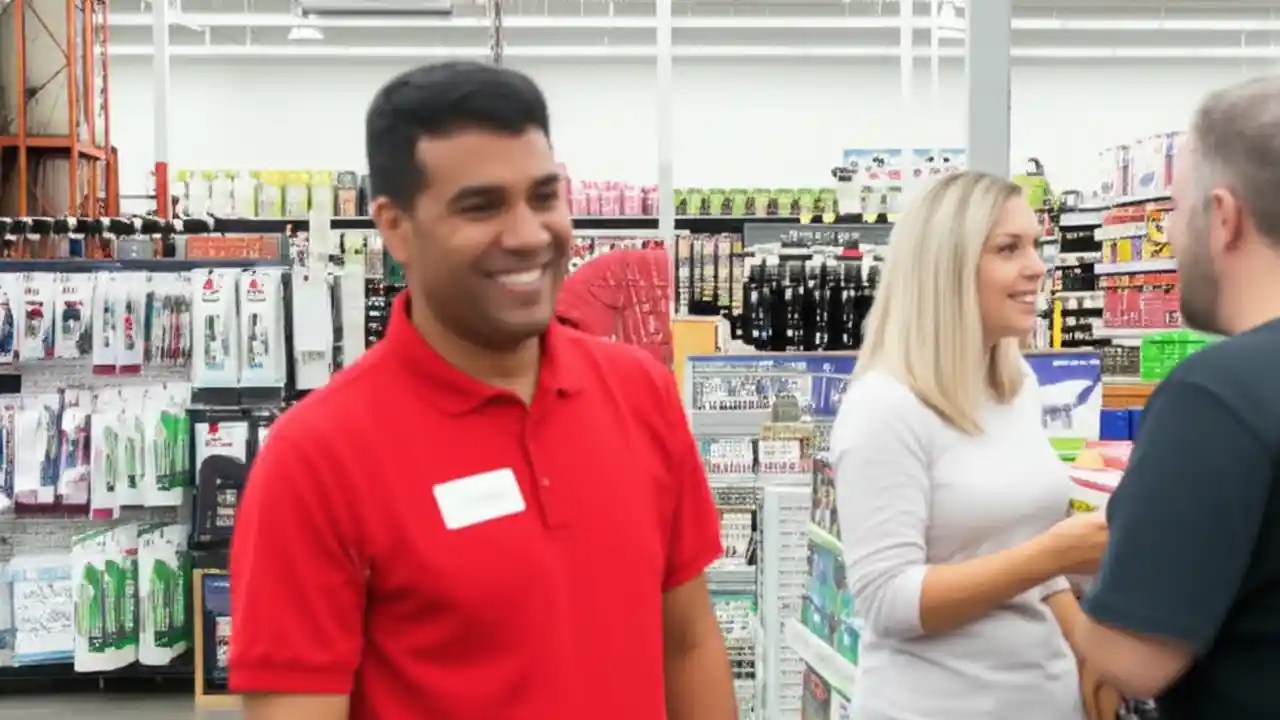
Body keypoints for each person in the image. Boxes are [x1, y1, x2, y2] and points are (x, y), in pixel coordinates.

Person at [227, 61, 736, 720]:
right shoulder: (316, 459)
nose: (527, 235)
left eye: (544, 197)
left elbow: (689, 644)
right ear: (395, 226)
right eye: (482, 205)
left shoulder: (639, 393)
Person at [830, 171, 1119, 720]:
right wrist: (1055, 552)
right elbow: (888, 599)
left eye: (1036, 245)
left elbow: (1019, 546)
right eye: (1008, 249)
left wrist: (1090, 651)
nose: (1036, 267)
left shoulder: (1016, 387)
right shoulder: (885, 407)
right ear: (946, 269)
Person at [1073, 76, 1280, 719]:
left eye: (1174, 208)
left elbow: (1133, 661)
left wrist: (1048, 578)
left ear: (1224, 217)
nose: (1168, 229)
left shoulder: (1215, 397)